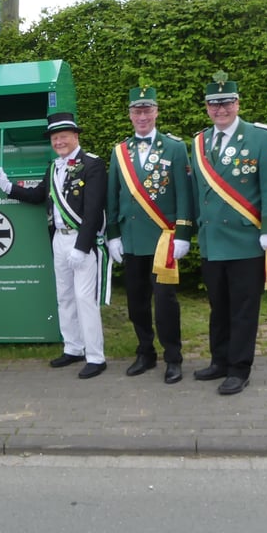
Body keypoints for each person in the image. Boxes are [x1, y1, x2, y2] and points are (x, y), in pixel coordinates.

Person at [0, 110, 110, 379]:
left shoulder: (92, 164)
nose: (58, 142)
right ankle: (73, 348)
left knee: (84, 299)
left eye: (63, 136)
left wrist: (82, 246)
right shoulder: (53, 167)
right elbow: (37, 196)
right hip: (59, 239)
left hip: (82, 243)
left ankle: (95, 356)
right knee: (65, 297)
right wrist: (7, 186)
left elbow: (93, 210)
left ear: (75, 136)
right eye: (55, 138)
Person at [189, 72, 267, 395]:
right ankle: (219, 360)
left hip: (247, 241)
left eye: (226, 102)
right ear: (207, 108)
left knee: (243, 309)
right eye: (214, 104)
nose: (221, 110)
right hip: (212, 242)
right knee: (218, 307)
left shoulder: (260, 137)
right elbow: (195, 191)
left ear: (237, 103)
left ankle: (239, 368)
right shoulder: (200, 142)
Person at [106, 86, 194, 385]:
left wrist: (183, 233)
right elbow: (112, 196)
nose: (142, 116)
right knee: (136, 302)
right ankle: (145, 351)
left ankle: (173, 357)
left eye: (147, 110)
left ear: (156, 112)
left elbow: (184, 193)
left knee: (165, 300)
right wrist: (113, 235)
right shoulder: (119, 151)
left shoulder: (175, 147)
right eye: (136, 111)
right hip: (131, 239)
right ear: (130, 115)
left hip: (163, 240)